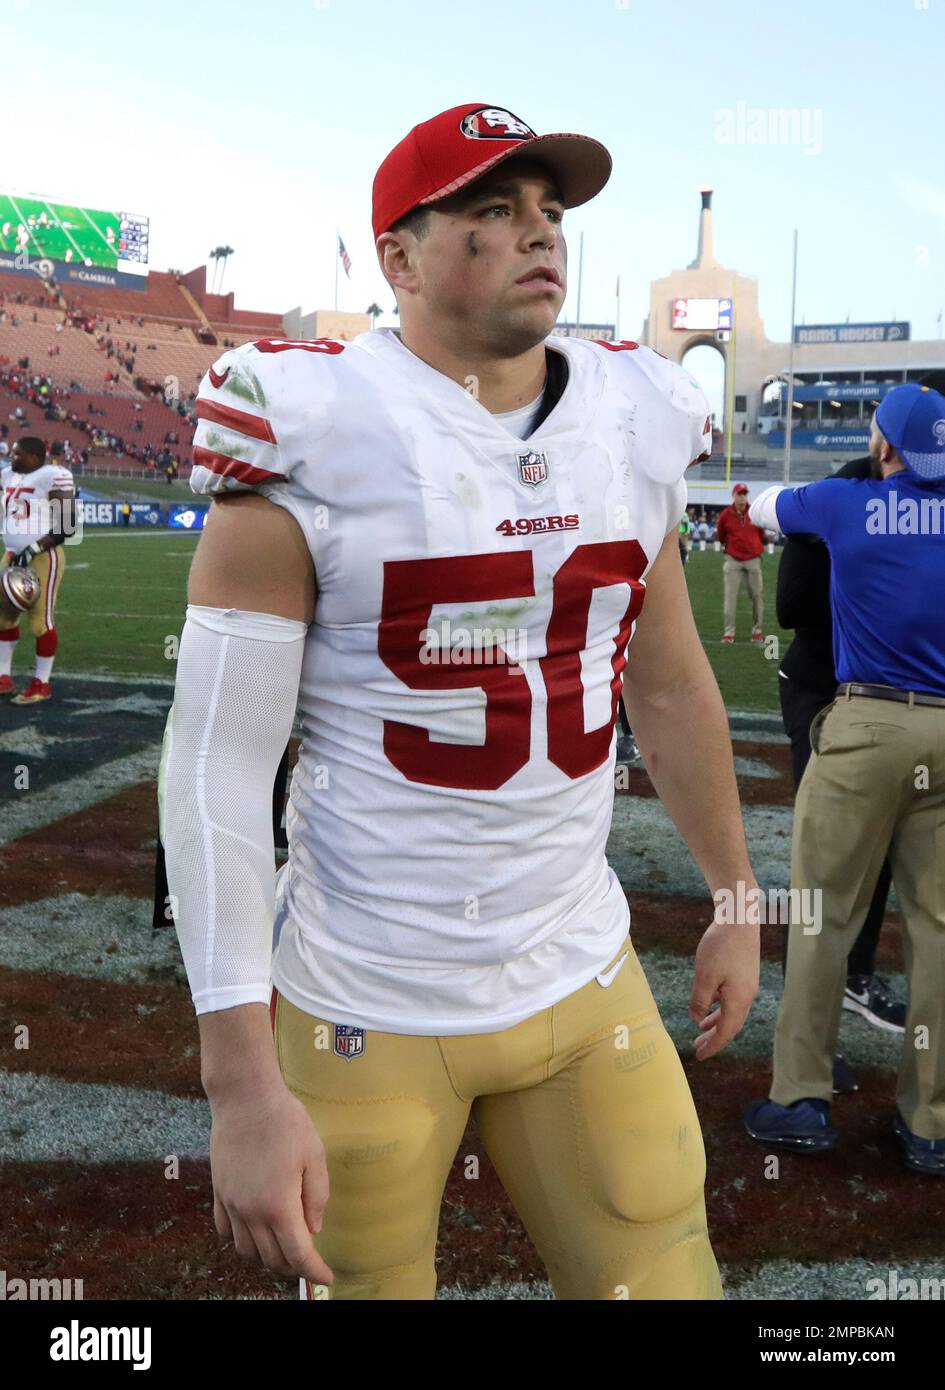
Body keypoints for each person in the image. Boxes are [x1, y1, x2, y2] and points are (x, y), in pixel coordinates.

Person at [161, 101, 760, 1300]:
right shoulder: (316, 427)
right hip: (367, 1000)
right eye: (493, 211)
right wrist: (238, 1084)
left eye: (548, 212)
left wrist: (737, 891)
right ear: (397, 256)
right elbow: (217, 766)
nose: (539, 234)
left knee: (667, 1275)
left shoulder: (629, 415)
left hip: (582, 970)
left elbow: (670, 673)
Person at [744, 383, 945, 1175]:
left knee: (822, 914)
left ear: (885, 447)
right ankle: (929, 1123)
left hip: (866, 724)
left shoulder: (843, 504)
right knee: (935, 931)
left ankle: (800, 1097)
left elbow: (763, 505)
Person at [0, 436, 76, 702]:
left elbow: (66, 526)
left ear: (34, 457)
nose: (12, 457)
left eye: (18, 454)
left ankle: (41, 683)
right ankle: (3, 676)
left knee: (40, 620)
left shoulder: (54, 475)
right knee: (3, 618)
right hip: (11, 554)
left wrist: (32, 549)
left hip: (43, 555)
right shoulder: (7, 476)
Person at [716, 483, 765, 643]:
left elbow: (761, 532)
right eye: (740, 494)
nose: (743, 497)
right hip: (733, 559)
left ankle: (757, 631)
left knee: (757, 595)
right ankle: (729, 633)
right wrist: (730, 548)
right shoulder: (725, 515)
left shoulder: (754, 513)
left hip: (753, 558)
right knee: (730, 597)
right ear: (734, 495)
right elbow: (721, 535)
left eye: (745, 494)